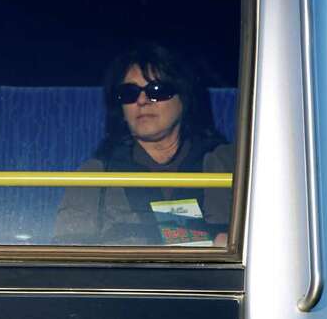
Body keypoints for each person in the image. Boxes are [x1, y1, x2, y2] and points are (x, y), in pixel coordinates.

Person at [53, 45, 233, 246]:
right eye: (129, 93)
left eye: (157, 90)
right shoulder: (96, 175)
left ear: (184, 97)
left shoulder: (228, 164)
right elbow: (67, 253)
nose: (142, 100)